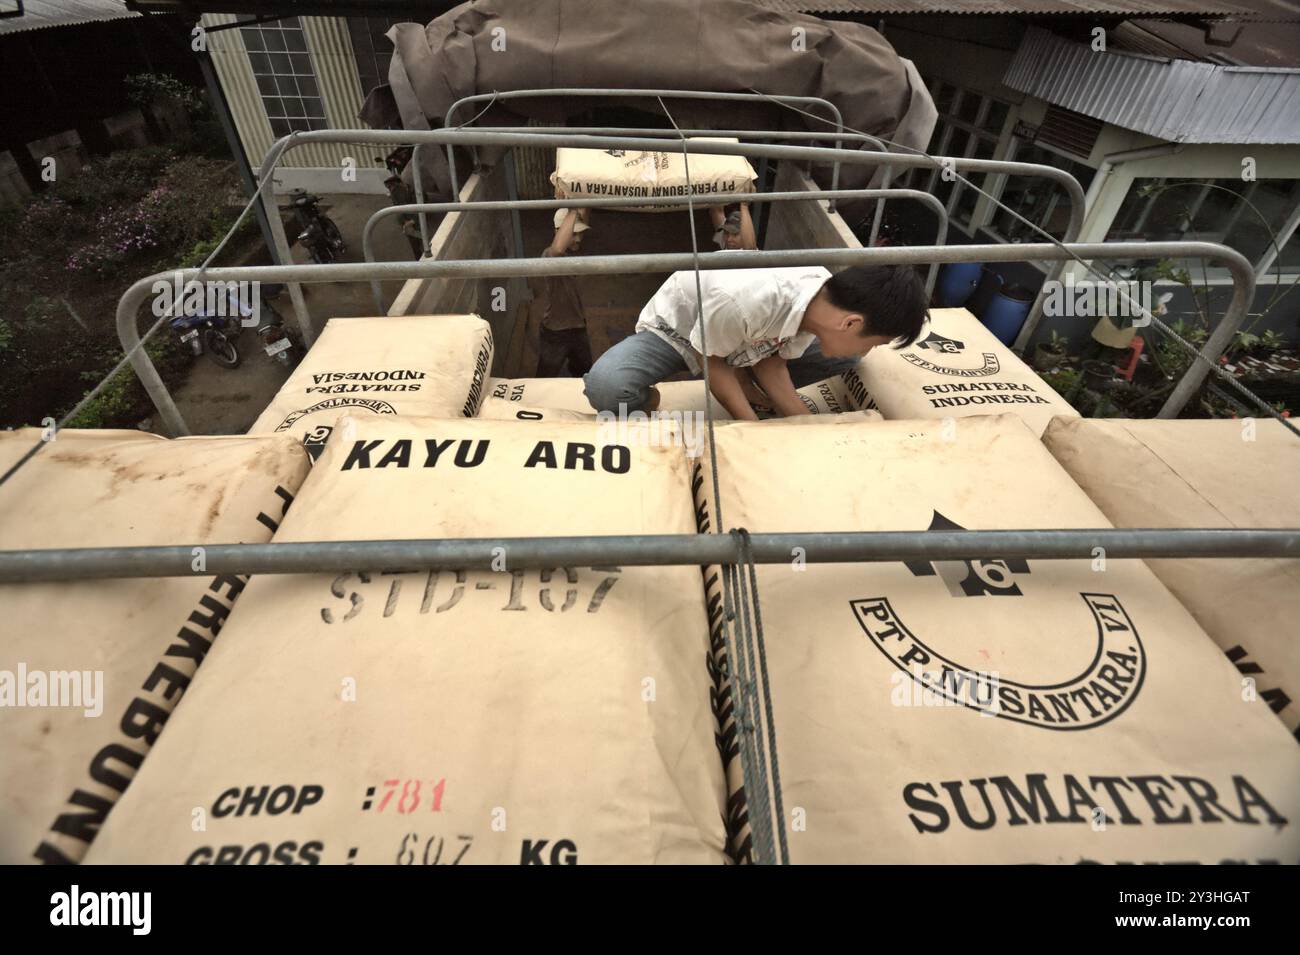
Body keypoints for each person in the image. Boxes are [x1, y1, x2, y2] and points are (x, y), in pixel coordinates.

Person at [583, 265, 928, 421]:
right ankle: (733, 382)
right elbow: (712, 362)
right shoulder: (746, 302)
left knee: (843, 362)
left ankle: (744, 378)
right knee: (608, 388)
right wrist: (749, 427)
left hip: (742, 339)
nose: (866, 350)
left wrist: (805, 424)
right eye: (872, 342)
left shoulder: (819, 300)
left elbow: (772, 362)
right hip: (682, 331)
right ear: (851, 322)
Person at [530, 206, 594, 377]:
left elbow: (585, 213)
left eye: (581, 233)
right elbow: (557, 249)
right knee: (545, 378)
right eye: (573, 234)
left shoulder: (571, 253)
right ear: (558, 231)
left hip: (579, 327)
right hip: (556, 333)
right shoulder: (550, 256)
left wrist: (581, 196)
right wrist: (572, 209)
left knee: (585, 373)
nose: (578, 239)